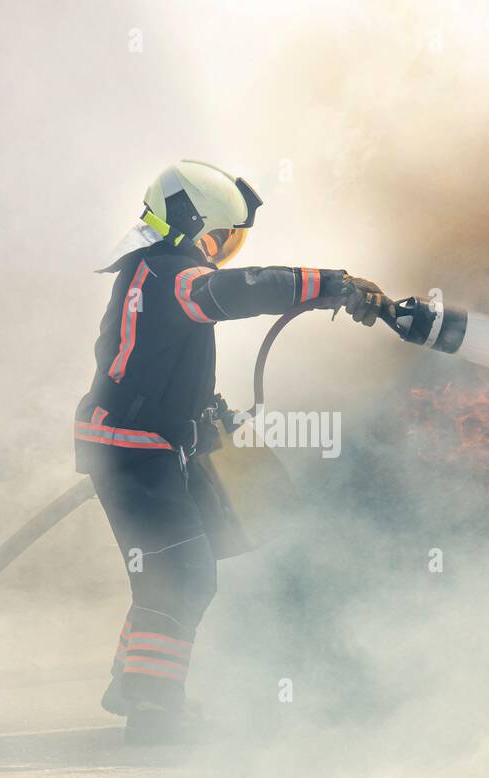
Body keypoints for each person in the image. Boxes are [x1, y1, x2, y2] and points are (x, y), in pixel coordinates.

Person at [75, 159, 391, 744]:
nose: (224, 251)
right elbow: (234, 291)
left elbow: (157, 357)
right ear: (195, 226)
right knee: (181, 575)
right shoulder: (172, 272)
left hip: (144, 445)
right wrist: (331, 284)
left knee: (175, 569)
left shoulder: (151, 268)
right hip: (136, 451)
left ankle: (135, 684)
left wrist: (201, 411)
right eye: (221, 237)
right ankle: (153, 711)